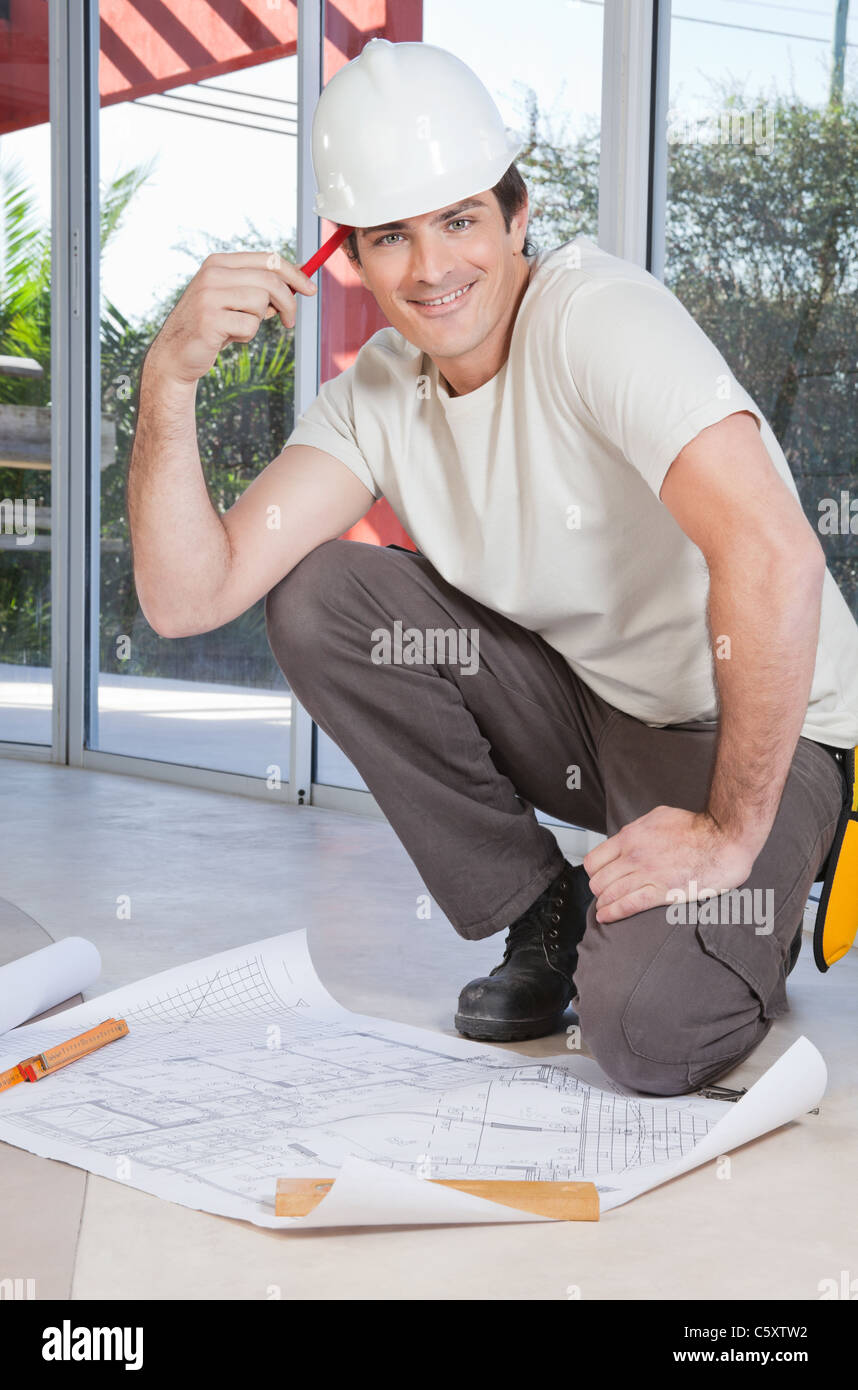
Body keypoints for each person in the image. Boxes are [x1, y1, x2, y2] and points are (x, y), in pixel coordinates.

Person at [128, 39, 858, 1096]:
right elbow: (189, 595)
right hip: (599, 717)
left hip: (769, 732)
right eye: (390, 235)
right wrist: (170, 377)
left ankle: (764, 899)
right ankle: (542, 910)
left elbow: (772, 552)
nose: (431, 268)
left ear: (516, 217)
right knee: (320, 594)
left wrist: (728, 835)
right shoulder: (379, 394)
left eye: (460, 219)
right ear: (351, 256)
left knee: (646, 1031)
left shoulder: (593, 319)